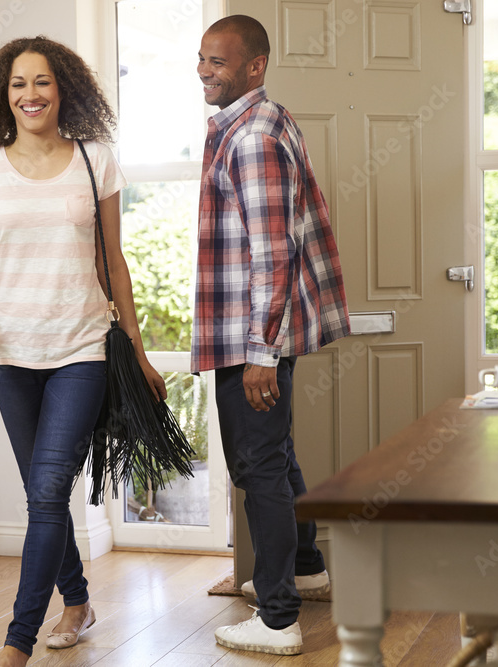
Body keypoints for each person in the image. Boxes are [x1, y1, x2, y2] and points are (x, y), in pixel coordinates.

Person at [0, 36, 164, 667]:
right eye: (18, 85)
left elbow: (115, 261)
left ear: (65, 90)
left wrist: (136, 351)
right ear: (2, 97)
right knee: (43, 491)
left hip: (81, 346)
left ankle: (16, 640)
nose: (30, 95)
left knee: (50, 486)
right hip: (11, 354)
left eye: (42, 83)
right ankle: (78, 600)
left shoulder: (96, 160)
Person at [193, 15, 351, 656]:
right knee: (278, 455)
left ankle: (278, 618)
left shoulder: (253, 136)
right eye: (201, 59)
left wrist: (261, 352)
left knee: (257, 466)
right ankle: (307, 568)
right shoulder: (267, 119)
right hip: (257, 330)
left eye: (218, 62)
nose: (204, 71)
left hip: (250, 335)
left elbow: (271, 253)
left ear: (255, 66)